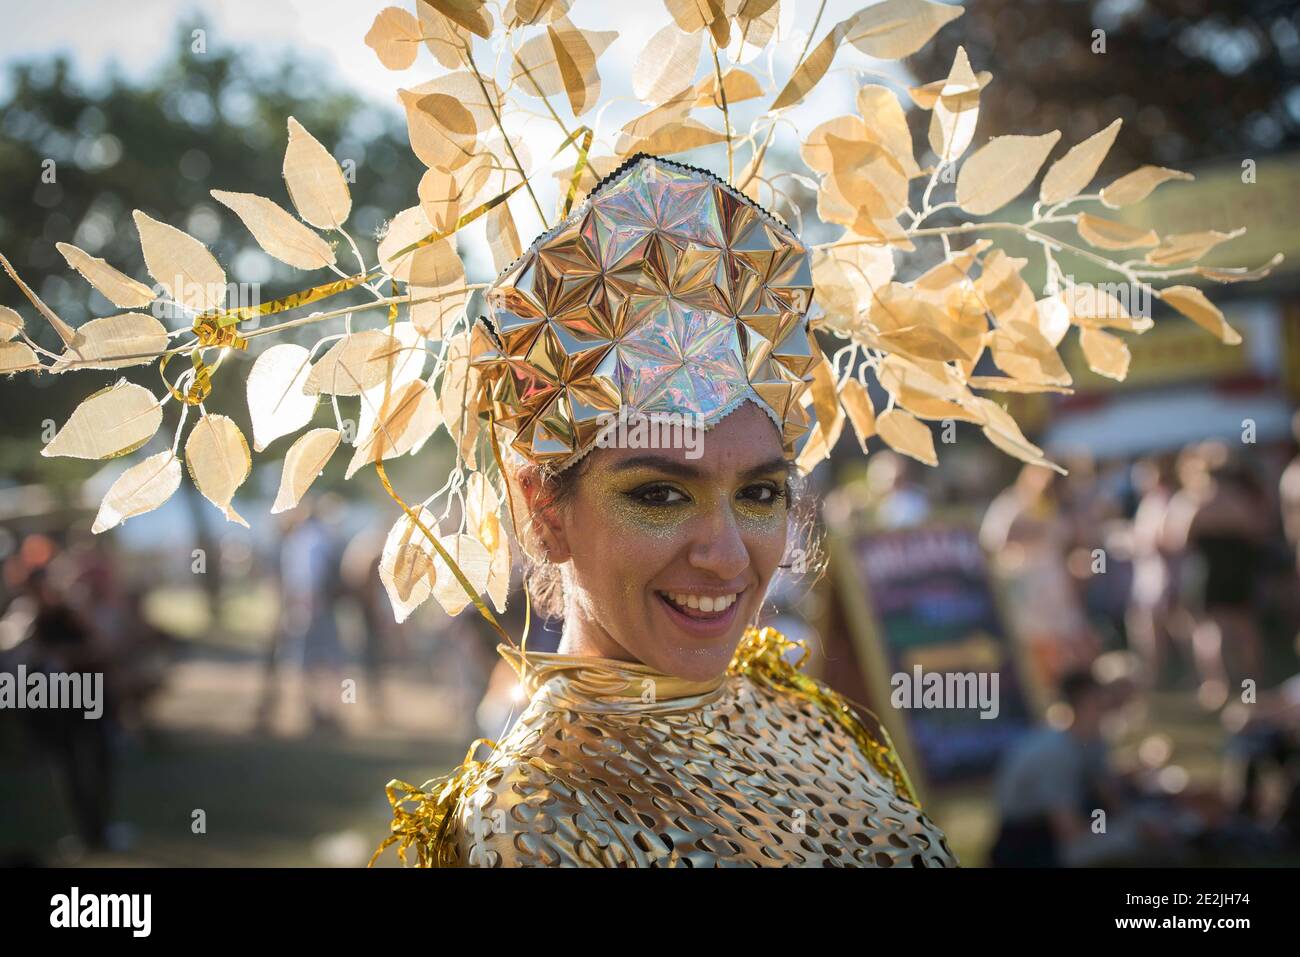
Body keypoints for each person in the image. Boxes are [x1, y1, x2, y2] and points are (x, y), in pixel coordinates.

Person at [372, 155, 957, 868]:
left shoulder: (813, 720)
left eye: (759, 493)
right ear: (544, 510)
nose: (728, 555)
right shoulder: (531, 821)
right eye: (659, 495)